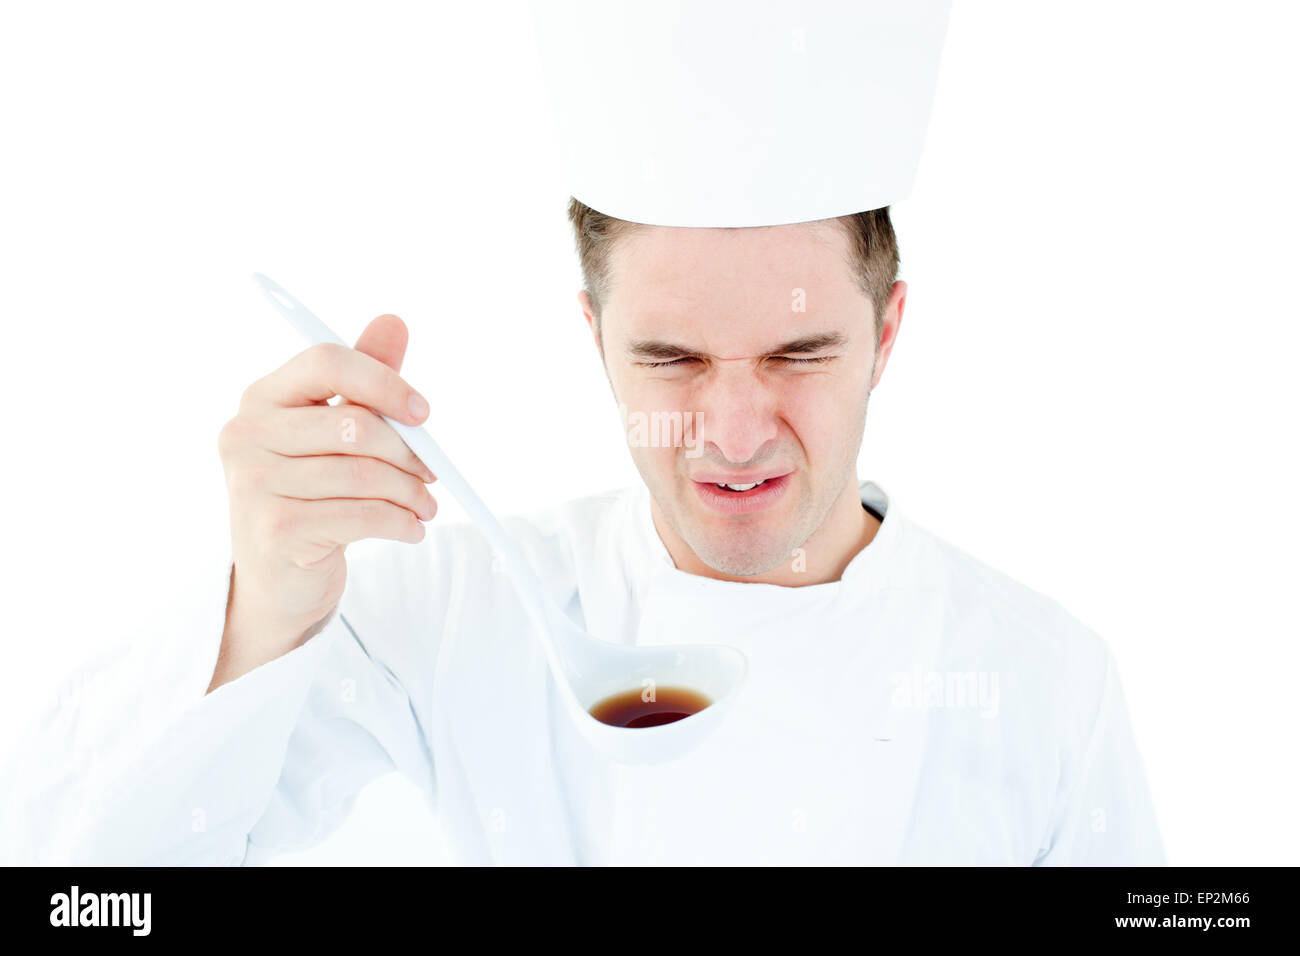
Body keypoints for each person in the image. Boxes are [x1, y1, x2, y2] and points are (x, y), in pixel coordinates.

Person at [0, 0, 1165, 866]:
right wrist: (265, 602)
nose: (734, 429)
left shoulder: (1044, 682)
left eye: (798, 355)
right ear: (593, 336)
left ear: (889, 328)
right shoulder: (447, 618)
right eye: (671, 357)